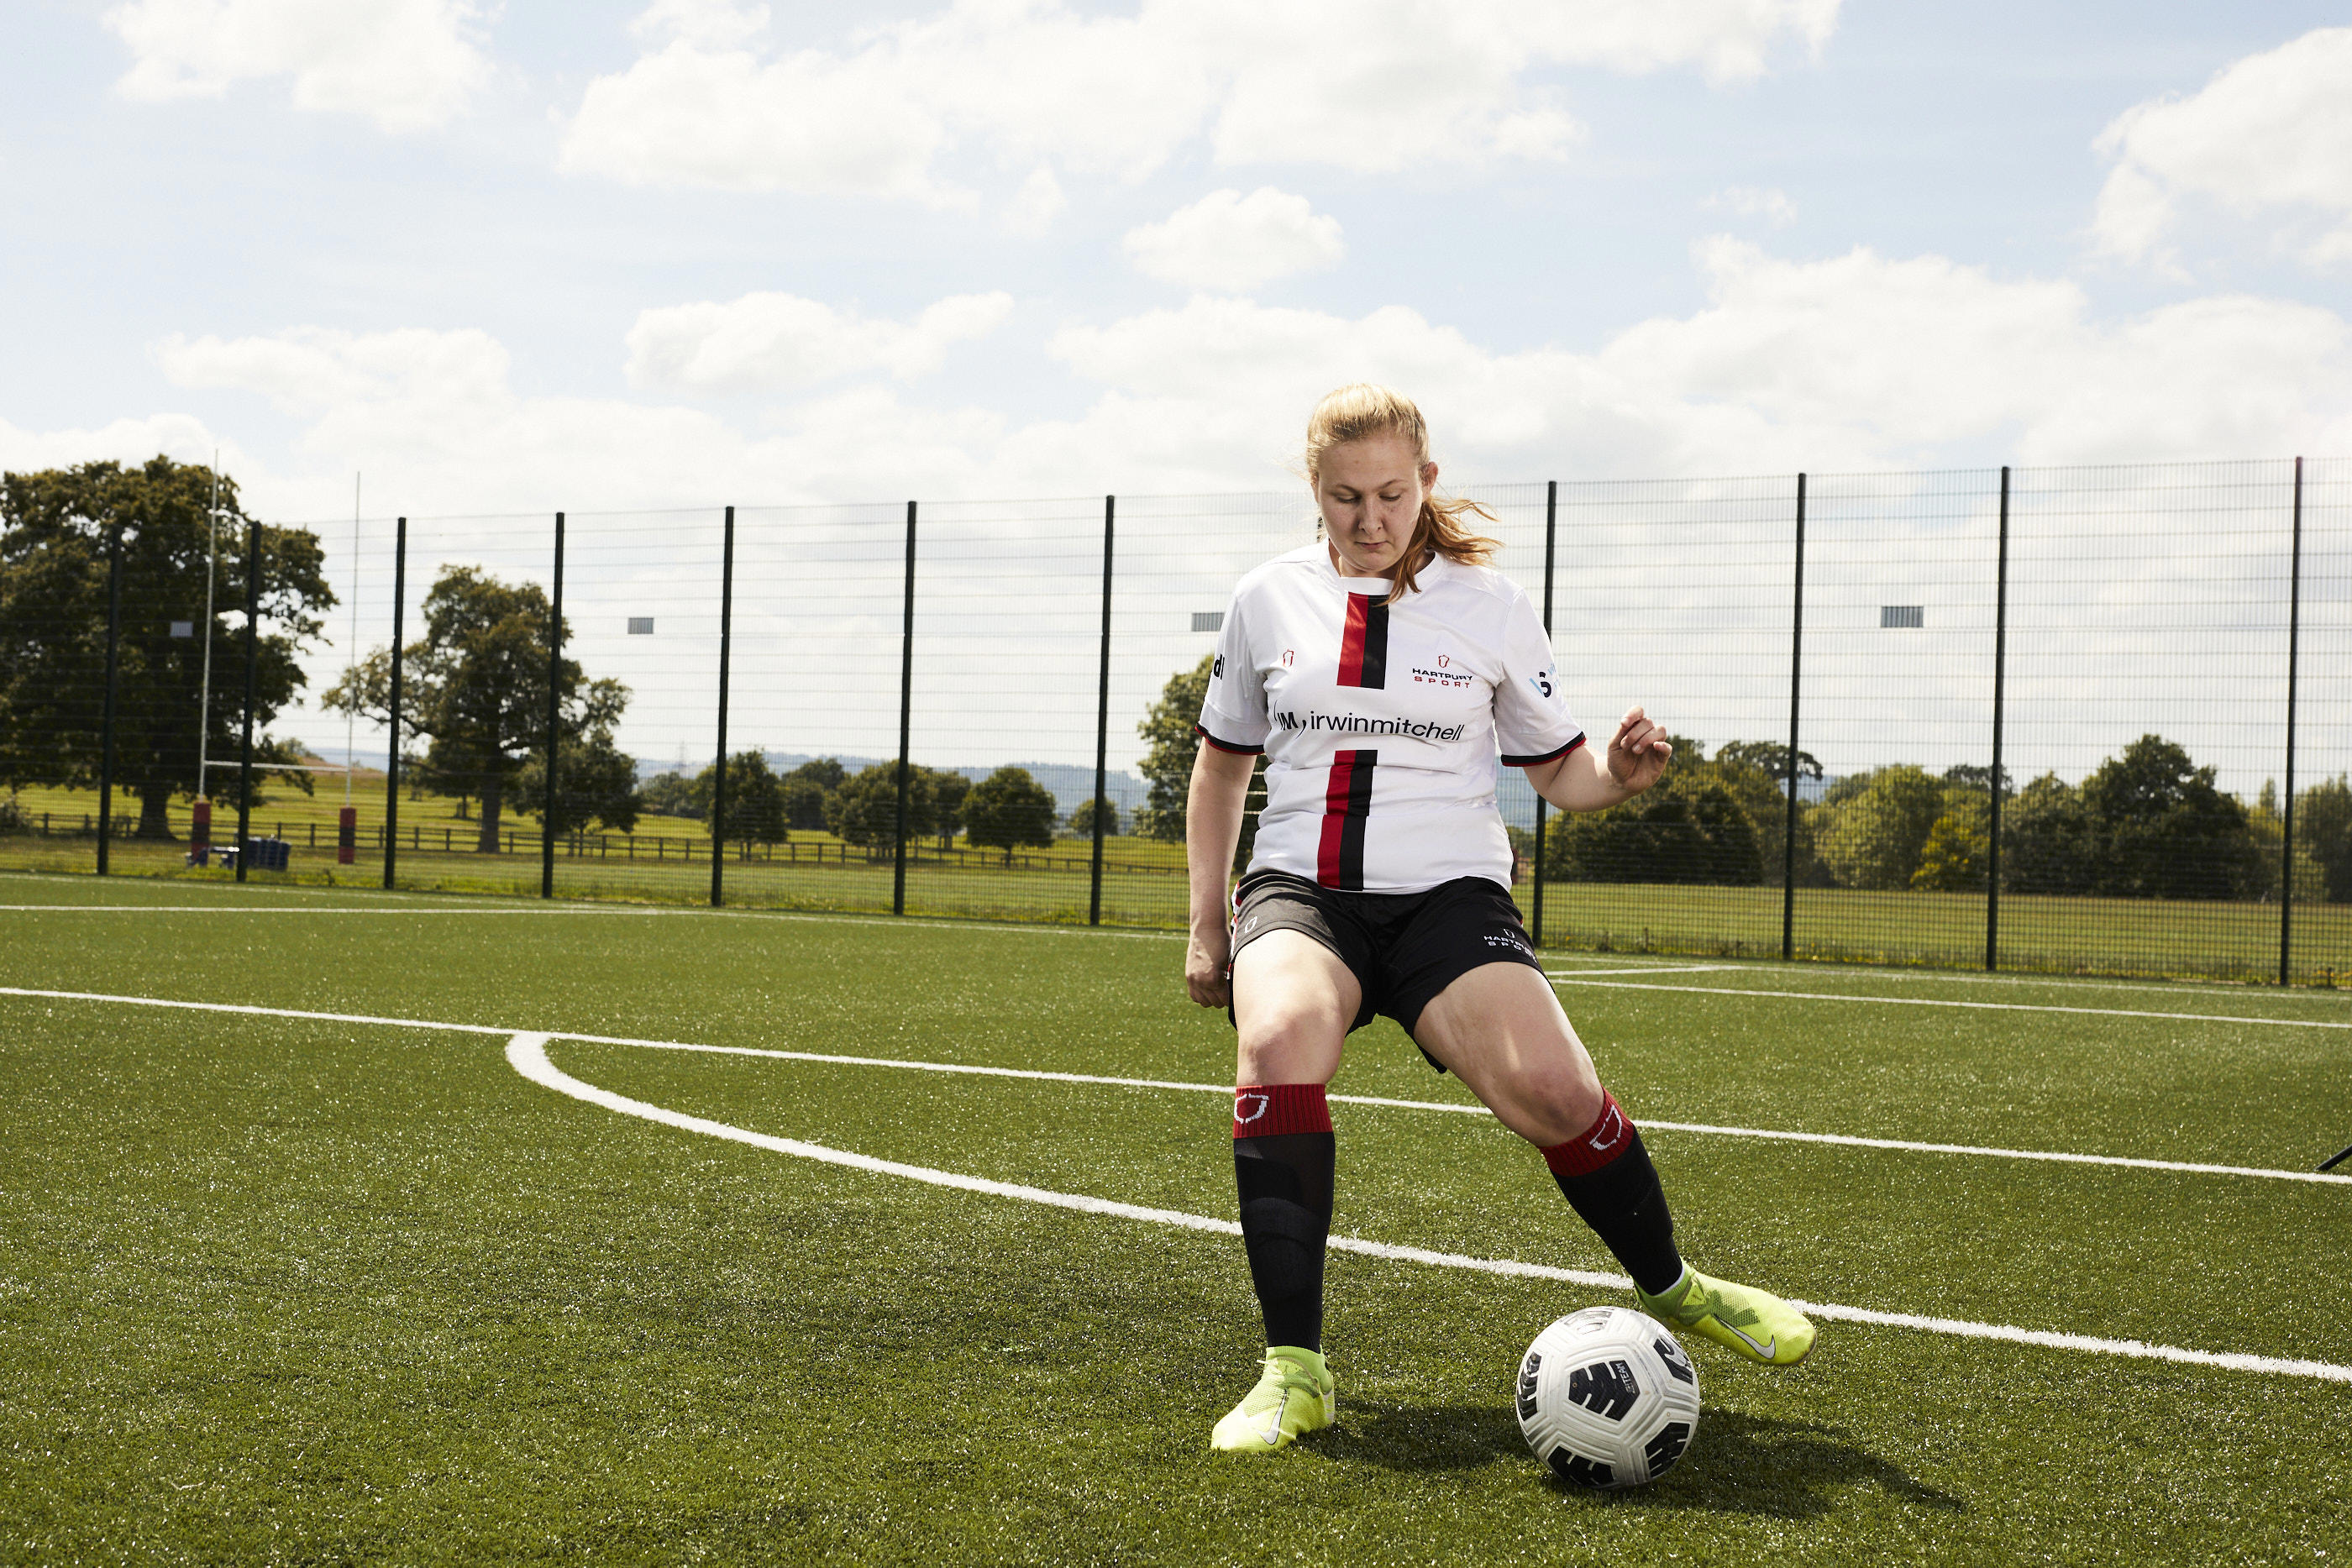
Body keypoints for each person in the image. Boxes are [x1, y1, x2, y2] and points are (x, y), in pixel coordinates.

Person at [1185, 384, 1814, 1455]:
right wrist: (1208, 922)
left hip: (1446, 899)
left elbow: (1559, 772)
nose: (1370, 519)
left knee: (1555, 1089)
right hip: (1304, 890)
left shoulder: (1490, 605)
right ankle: (1294, 1369)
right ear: (1315, 492)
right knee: (1278, 1039)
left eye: (1390, 492)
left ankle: (1672, 1282)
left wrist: (1617, 776)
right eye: (1345, 498)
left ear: (1425, 480)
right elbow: (1220, 765)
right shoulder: (1264, 599)